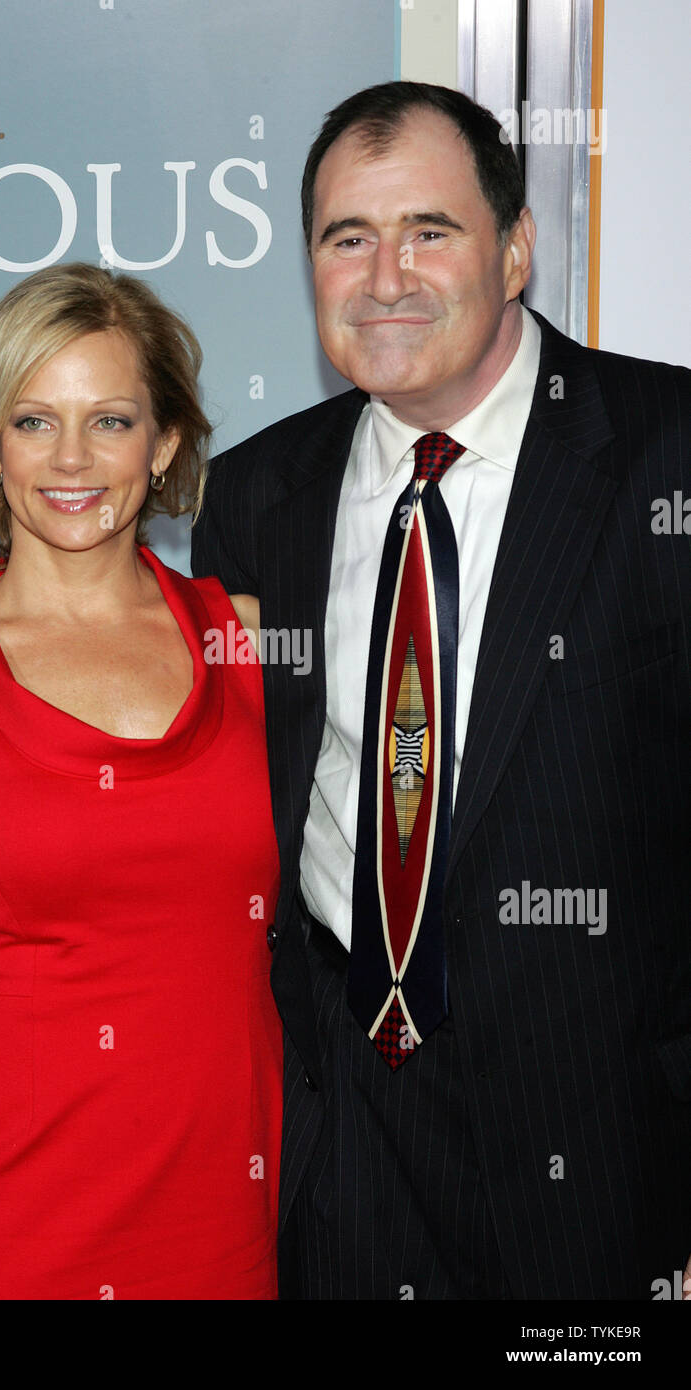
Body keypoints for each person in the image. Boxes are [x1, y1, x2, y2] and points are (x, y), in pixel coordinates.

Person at [190, 82, 691, 1299]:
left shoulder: (665, 448)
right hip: (348, 1136)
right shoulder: (254, 497)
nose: (383, 277)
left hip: (611, 1151)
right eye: (344, 237)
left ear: (515, 248)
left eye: (429, 230)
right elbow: (199, 778)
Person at [0, 263, 281, 1300]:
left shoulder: (254, 648)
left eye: (110, 419)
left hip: (226, 1232)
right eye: (33, 421)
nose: (70, 459)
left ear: (163, 443)